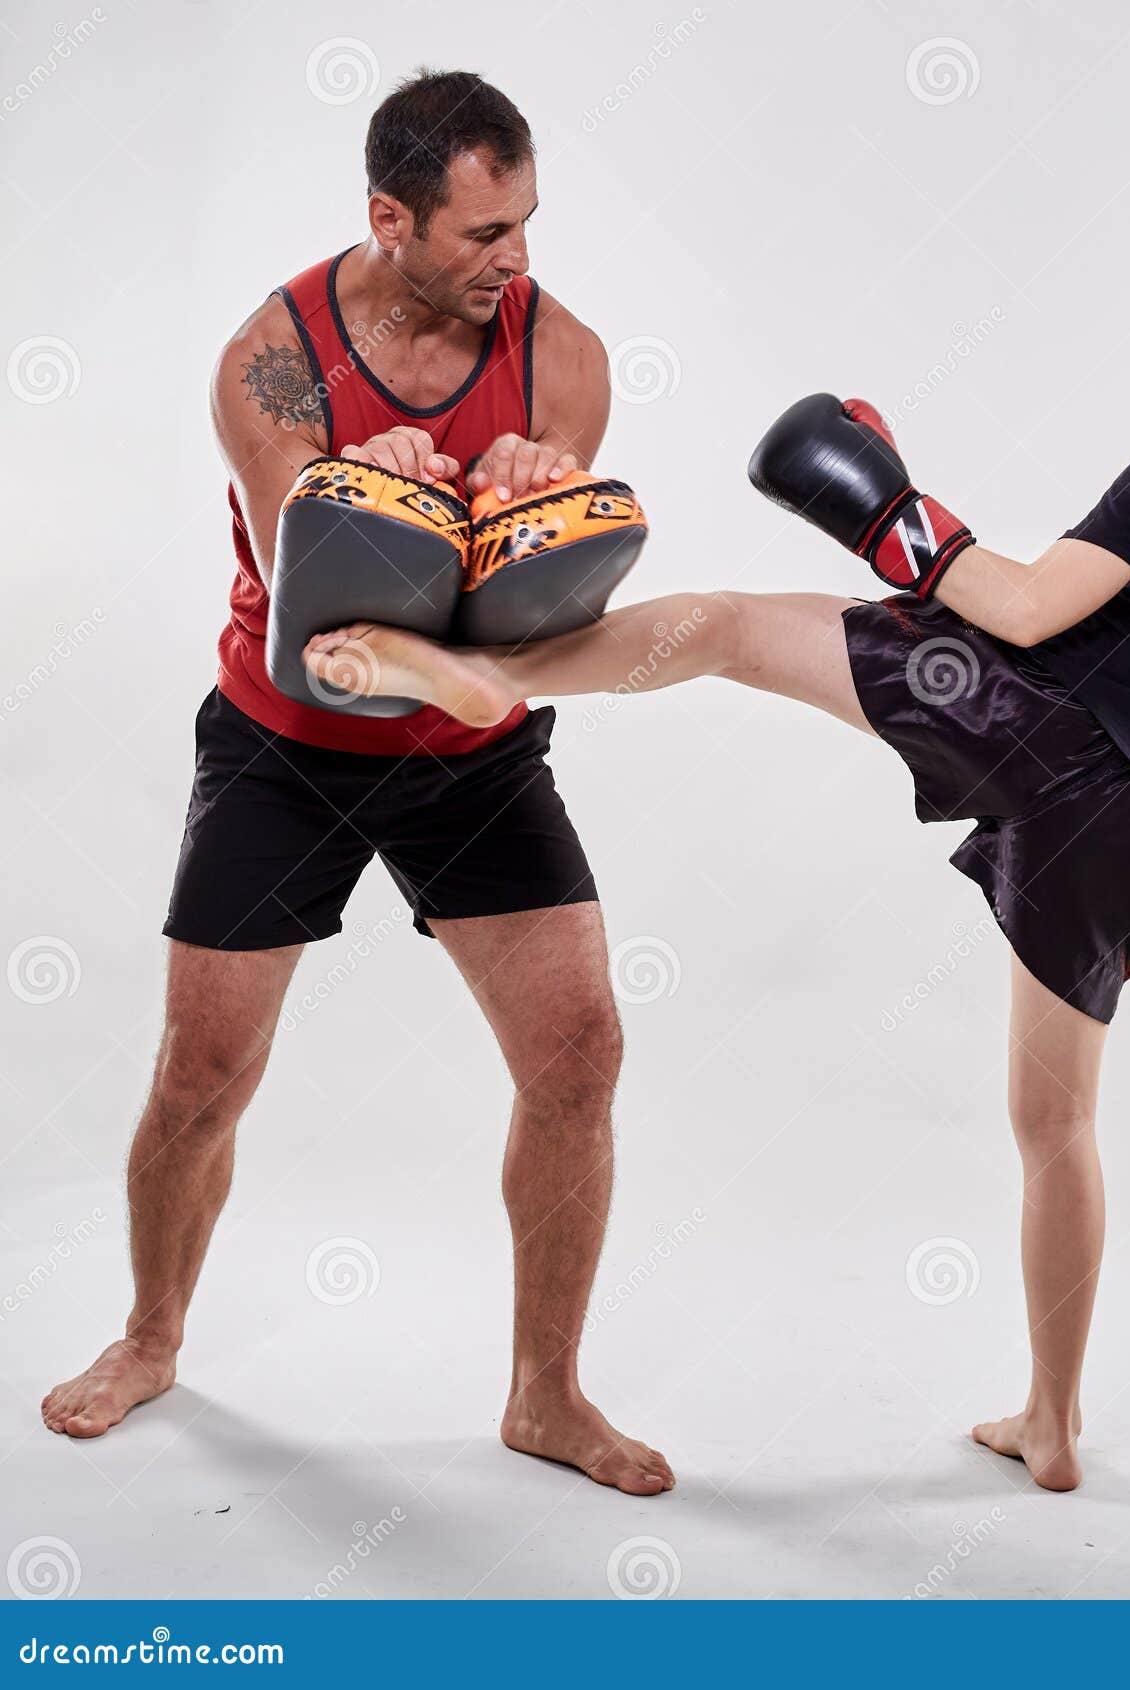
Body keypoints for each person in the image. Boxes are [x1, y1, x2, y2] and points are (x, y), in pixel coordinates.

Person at [302, 249, 1130, 1492]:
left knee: (725, 627)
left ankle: (485, 680)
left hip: (1024, 726)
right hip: (1123, 839)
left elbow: (1029, 611)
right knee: (1058, 1128)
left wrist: (887, 509)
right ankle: (1051, 1422)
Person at [40, 70, 675, 1497]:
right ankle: (151, 1334)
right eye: (479, 235)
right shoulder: (271, 360)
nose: (511, 260)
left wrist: (517, 504)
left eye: (524, 225)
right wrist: (359, 495)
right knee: (203, 1076)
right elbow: (323, 637)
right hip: (287, 746)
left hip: (470, 757)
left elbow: (522, 629)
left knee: (580, 1054)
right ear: (388, 218)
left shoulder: (561, 356)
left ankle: (545, 1392)